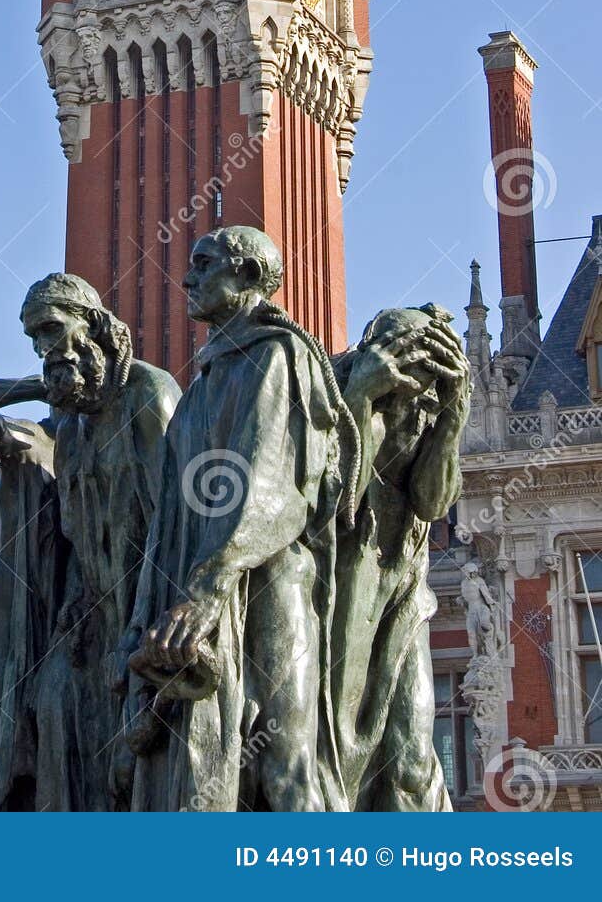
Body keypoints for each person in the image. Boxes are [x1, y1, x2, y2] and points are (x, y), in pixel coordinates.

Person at [124, 227, 359, 812]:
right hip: (196, 591)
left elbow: (272, 485)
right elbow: (169, 519)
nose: (187, 278)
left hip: (268, 581)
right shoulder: (204, 382)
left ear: (249, 276)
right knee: (206, 761)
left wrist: (210, 585)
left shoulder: (275, 358)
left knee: (281, 764)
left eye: (205, 265)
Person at [0, 273, 178, 810]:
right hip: (82, 620)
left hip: (144, 611)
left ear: (92, 324)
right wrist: (39, 384)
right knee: (53, 731)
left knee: (138, 770)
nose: (43, 346)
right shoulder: (64, 426)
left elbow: (175, 517)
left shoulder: (148, 394)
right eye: (34, 338)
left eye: (50, 329)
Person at [333, 304, 470, 810]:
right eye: (409, 383)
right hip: (341, 591)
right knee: (343, 752)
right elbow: (325, 496)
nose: (417, 401)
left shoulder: (430, 407)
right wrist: (359, 398)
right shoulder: (346, 400)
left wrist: (452, 418)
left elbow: (432, 502)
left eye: (429, 386)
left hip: (403, 592)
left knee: (412, 756)